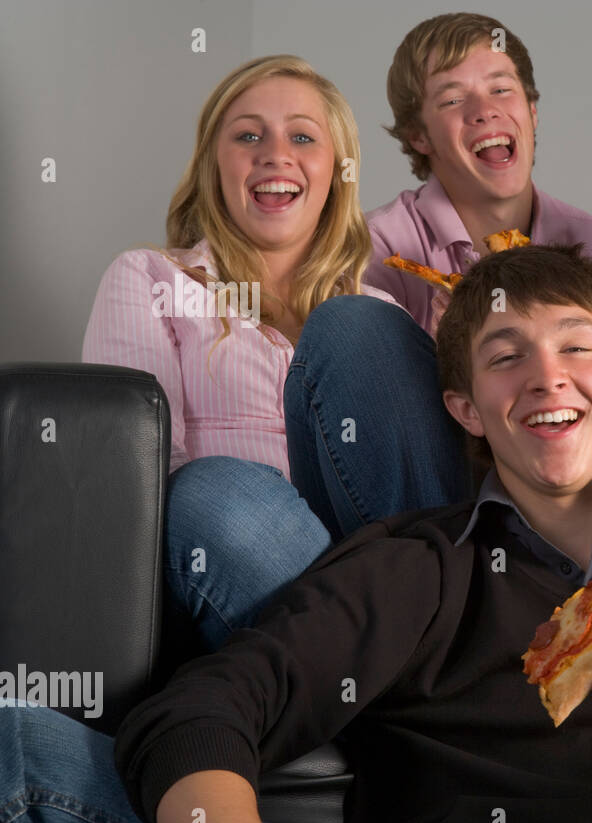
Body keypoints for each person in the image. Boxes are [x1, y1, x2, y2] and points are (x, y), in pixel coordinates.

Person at [3, 245, 592, 823]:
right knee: (16, 744)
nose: (546, 377)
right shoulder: (416, 565)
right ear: (464, 408)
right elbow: (203, 713)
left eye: (576, 346)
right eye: (507, 358)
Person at [284, 13, 592, 537]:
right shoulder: (376, 247)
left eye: (502, 89)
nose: (485, 111)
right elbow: (368, 415)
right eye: (453, 99)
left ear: (533, 112)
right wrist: (445, 349)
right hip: (440, 503)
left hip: (574, 496)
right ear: (418, 135)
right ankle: (436, 583)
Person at [83, 55, 397, 650]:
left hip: (383, 581)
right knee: (214, 492)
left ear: (338, 170)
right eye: (248, 135)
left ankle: (377, 677)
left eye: (302, 136)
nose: (275, 153)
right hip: (240, 571)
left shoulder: (382, 318)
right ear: (213, 165)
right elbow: (135, 485)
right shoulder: (150, 280)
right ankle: (379, 686)